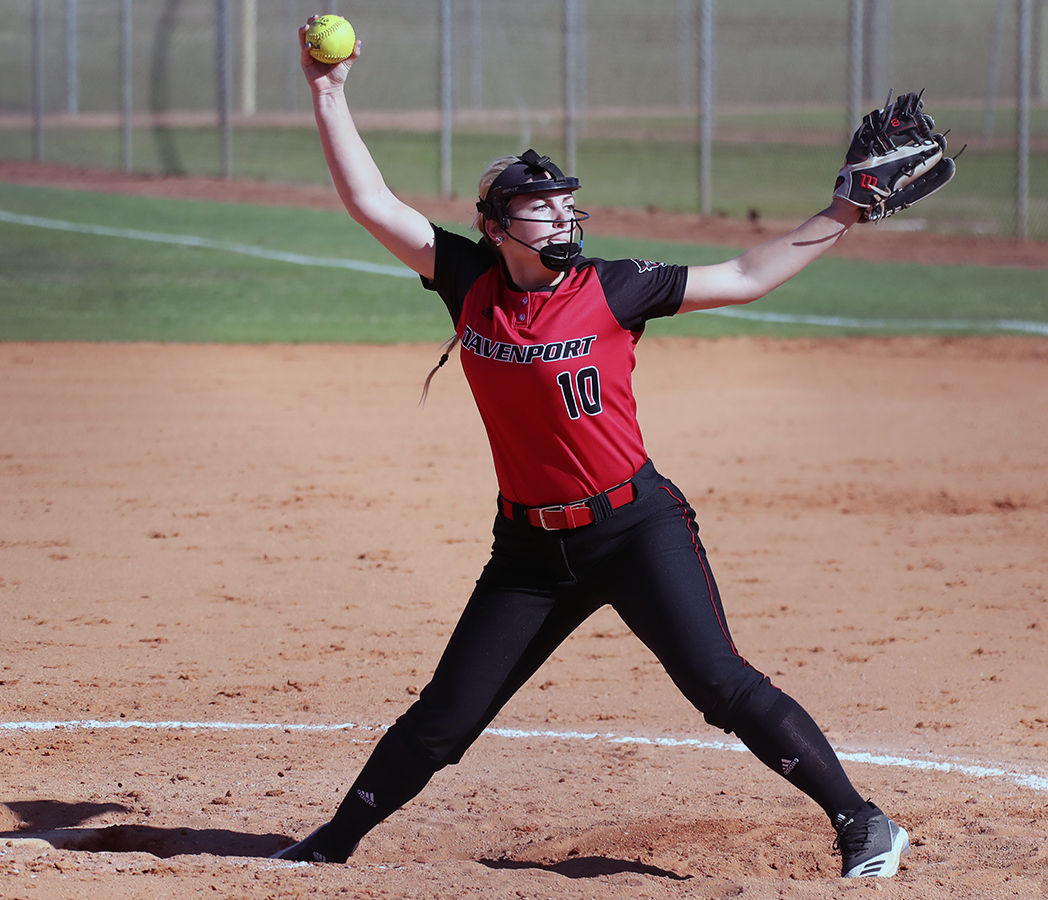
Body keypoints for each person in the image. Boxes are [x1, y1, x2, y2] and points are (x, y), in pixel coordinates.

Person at [272, 17, 942, 879]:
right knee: (446, 717)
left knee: (720, 686)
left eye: (563, 200)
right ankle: (328, 846)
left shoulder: (614, 286)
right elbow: (371, 202)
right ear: (494, 227)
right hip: (526, 552)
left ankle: (863, 822)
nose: (559, 213)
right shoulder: (468, 283)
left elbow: (742, 276)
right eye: (537, 204)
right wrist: (327, 90)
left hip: (634, 528)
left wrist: (844, 207)